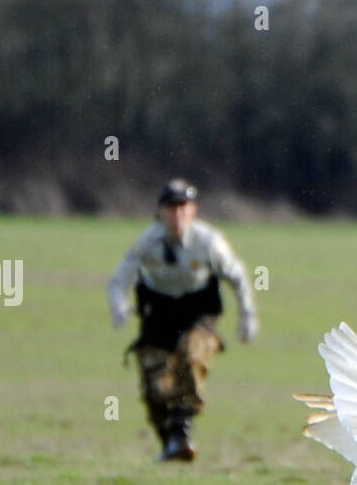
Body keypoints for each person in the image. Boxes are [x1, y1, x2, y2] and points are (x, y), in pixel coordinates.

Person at [107, 179, 258, 461]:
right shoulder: (146, 243)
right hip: (158, 315)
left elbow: (237, 276)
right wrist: (119, 307)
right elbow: (118, 281)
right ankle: (171, 441)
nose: (177, 215)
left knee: (191, 358)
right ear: (160, 212)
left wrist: (247, 316)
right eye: (171, 208)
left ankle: (182, 427)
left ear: (193, 210)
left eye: (183, 208)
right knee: (155, 389)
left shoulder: (209, 241)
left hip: (198, 313)